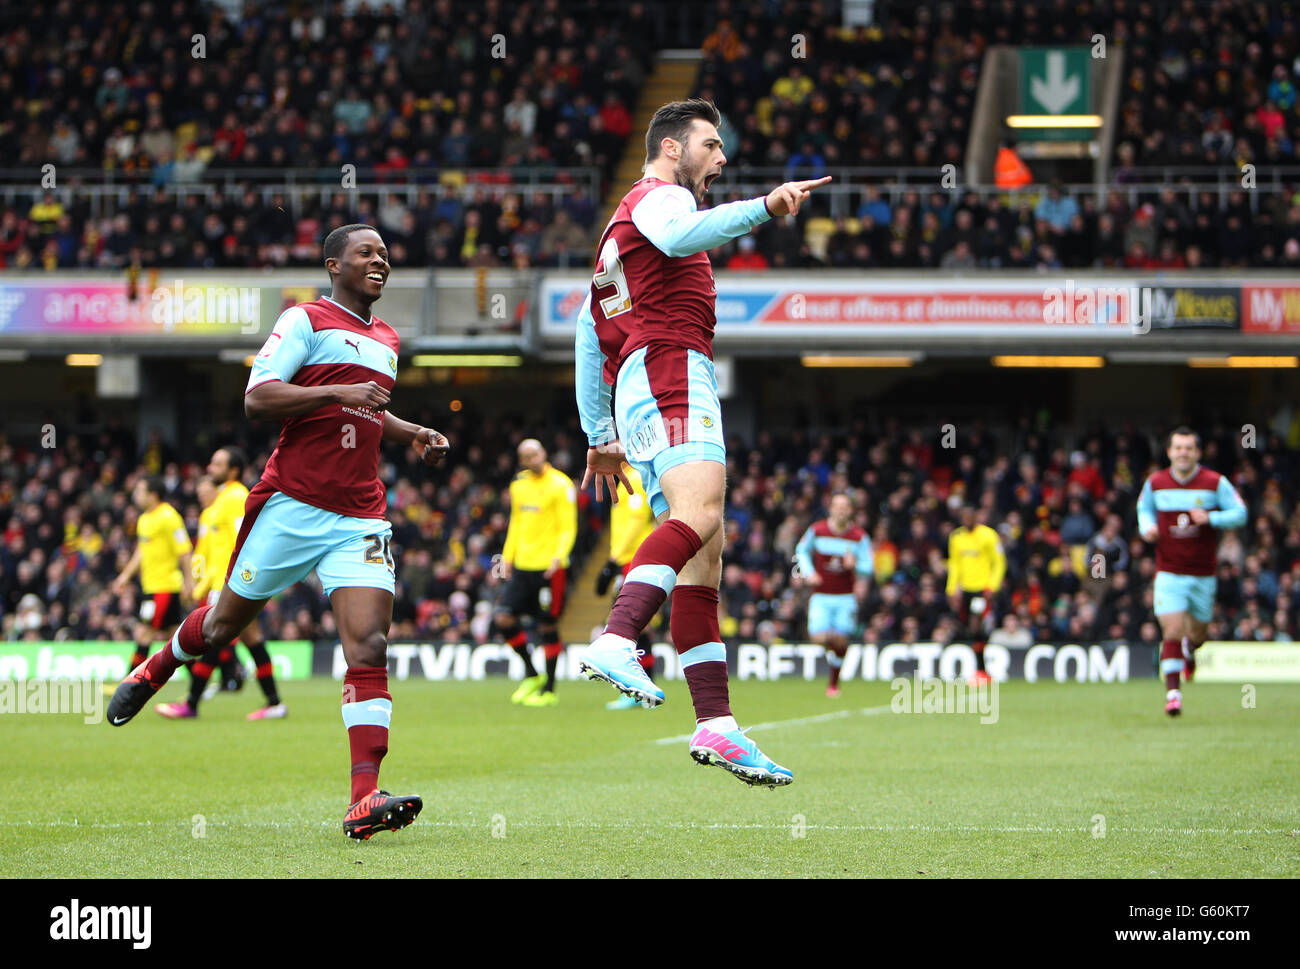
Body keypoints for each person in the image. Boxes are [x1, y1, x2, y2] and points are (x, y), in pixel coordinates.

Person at [107, 223, 451, 841]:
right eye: (365, 254)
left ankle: (363, 798)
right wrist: (338, 388)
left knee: (369, 646)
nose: (381, 261)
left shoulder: (389, 339)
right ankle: (157, 668)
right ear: (333, 266)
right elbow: (259, 399)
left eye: (384, 253)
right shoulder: (304, 322)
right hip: (290, 503)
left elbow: (368, 410)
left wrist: (413, 434)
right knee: (220, 627)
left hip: (359, 513)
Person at [573, 98, 830, 786]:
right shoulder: (657, 201)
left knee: (704, 557)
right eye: (710, 146)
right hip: (669, 363)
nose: (720, 159)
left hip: (641, 375)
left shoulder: (616, 231)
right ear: (670, 149)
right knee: (703, 512)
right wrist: (767, 207)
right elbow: (685, 237)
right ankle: (619, 636)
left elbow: (583, 329)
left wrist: (600, 430)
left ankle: (716, 724)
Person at [156, 446, 287, 721]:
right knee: (252, 640)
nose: (210, 468)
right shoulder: (217, 504)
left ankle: (191, 703)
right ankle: (274, 703)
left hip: (233, 584)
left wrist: (245, 580)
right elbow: (207, 554)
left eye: (217, 464)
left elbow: (247, 537)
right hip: (223, 583)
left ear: (233, 470)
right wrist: (198, 584)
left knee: (213, 639)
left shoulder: (236, 496)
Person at [1138, 426, 1247, 716]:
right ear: (1169, 452)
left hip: (1203, 575)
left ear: (1198, 452)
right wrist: (1146, 526)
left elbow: (1240, 514)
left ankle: (1190, 649)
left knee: (1198, 635)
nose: (1183, 453)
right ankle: (1173, 694)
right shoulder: (1156, 482)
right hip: (1169, 572)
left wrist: (1211, 518)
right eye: (1178, 448)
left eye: (1189, 448)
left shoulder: (1214, 482)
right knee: (1171, 629)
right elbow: (1143, 509)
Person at [497, 438, 577, 707]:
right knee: (503, 618)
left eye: (536, 454)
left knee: (547, 625)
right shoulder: (519, 485)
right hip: (523, 566)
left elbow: (568, 526)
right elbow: (516, 523)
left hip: (549, 568)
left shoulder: (561, 485)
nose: (533, 459)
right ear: (522, 460)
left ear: (544, 453)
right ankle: (532, 673)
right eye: (527, 456)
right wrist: (506, 558)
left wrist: (559, 556)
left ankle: (550, 689)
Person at [110, 474, 194, 676]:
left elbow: (184, 550)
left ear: (153, 494)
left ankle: (129, 683)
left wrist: (190, 582)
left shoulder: (168, 516)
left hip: (164, 587)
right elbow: (141, 551)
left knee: (143, 633)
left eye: (140, 491)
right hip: (151, 587)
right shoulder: (144, 519)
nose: (136, 495)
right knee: (174, 636)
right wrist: (125, 576)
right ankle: (201, 677)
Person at [794, 492, 872, 698]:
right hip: (821, 595)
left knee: (840, 640)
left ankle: (834, 682)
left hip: (845, 597)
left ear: (851, 510)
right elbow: (801, 549)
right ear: (831, 508)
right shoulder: (817, 530)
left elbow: (869, 566)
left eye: (844, 506)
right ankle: (835, 658)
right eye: (837, 506)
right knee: (818, 638)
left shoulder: (859, 537)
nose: (840, 510)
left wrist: (855, 565)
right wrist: (809, 572)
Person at [595, 462, 659, 710]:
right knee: (639, 626)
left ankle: (639, 690)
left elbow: (635, 523)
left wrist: (612, 560)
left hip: (632, 558)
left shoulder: (635, 479)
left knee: (631, 624)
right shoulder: (626, 480)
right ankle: (645, 689)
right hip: (628, 558)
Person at [946, 505, 1006, 685]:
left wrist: (992, 587)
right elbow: (954, 564)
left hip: (983, 589)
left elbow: (999, 562)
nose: (966, 520)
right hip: (966, 589)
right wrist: (951, 589)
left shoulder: (989, 535)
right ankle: (981, 670)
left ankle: (981, 671)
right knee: (969, 628)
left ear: (975, 517)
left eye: (969, 517)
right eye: (963, 517)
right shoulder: (956, 537)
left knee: (975, 624)